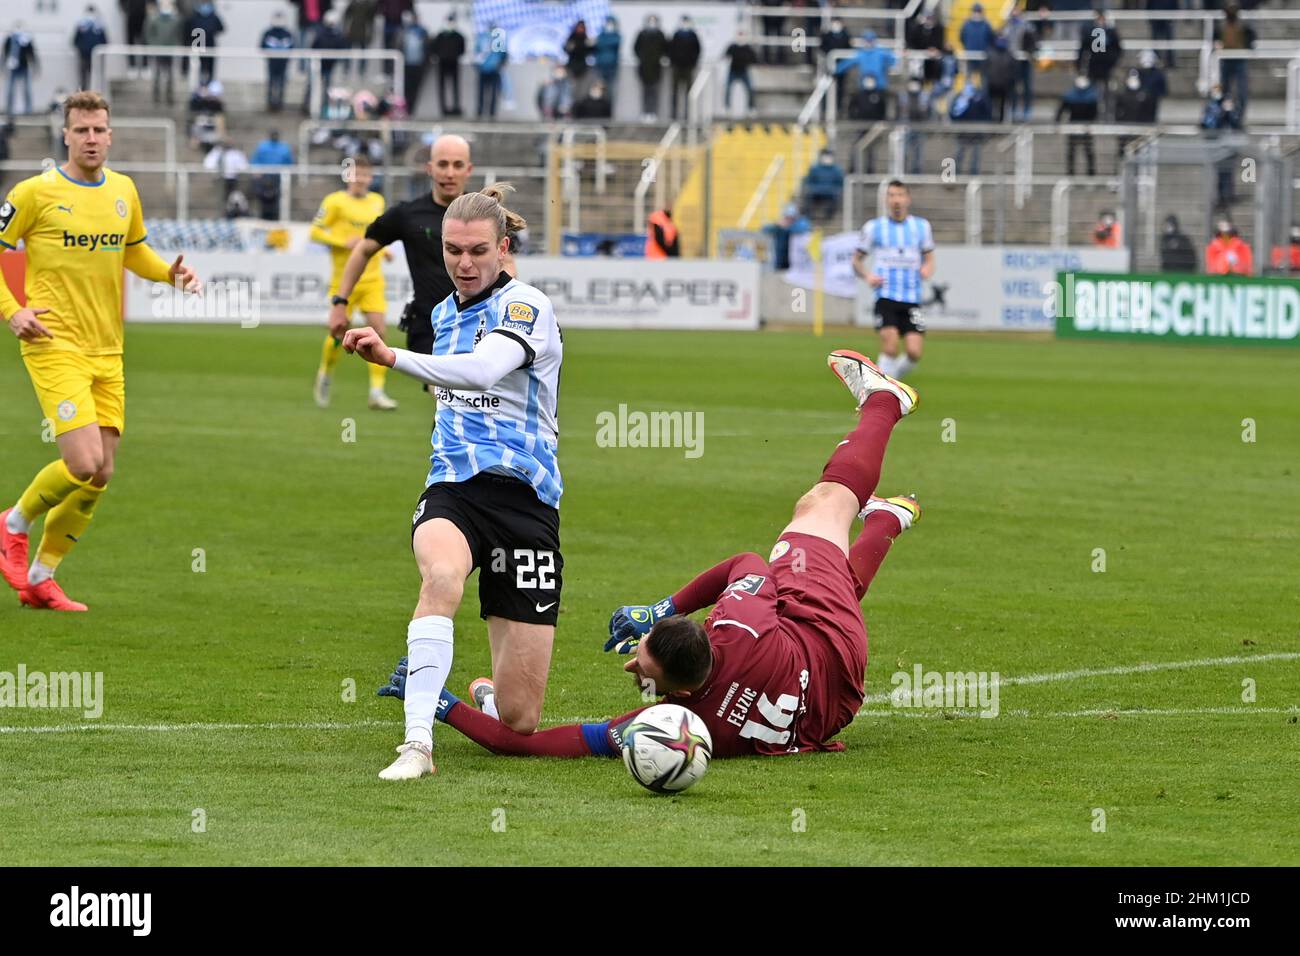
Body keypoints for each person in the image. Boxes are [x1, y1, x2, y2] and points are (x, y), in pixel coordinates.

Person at [378, 352, 922, 763]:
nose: (631, 664)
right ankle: (881, 427)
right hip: (820, 642)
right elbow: (747, 566)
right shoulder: (739, 628)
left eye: (642, 665)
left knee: (821, 527)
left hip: (834, 702)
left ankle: (885, 464)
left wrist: (446, 706)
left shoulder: (679, 720)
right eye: (643, 659)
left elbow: (530, 744)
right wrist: (660, 609)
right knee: (819, 517)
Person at [343, 183, 565, 780]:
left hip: (526, 500)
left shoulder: (527, 307)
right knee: (440, 576)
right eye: (451, 250)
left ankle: (485, 695)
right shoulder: (442, 313)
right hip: (455, 488)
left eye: (476, 251)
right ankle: (417, 744)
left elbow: (484, 370)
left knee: (519, 722)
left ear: (503, 249)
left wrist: (393, 358)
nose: (463, 264)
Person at [0, 91, 201, 612]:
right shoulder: (33, 193)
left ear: (110, 134)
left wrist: (169, 274)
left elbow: (133, 249)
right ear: (65, 135)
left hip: (107, 349)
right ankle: (12, 523)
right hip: (53, 342)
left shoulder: (123, 191)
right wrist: (12, 311)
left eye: (99, 129)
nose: (91, 138)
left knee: (102, 472)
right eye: (82, 130)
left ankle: (42, 577)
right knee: (83, 460)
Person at [329, 133, 470, 362]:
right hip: (429, 327)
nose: (450, 173)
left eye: (457, 165)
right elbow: (363, 250)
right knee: (445, 394)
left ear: (469, 169)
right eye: (443, 164)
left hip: (477, 324)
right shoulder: (408, 214)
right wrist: (340, 302)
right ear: (430, 168)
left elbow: (507, 264)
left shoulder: (485, 215)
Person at [311, 155, 396, 410]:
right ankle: (325, 373)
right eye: (355, 174)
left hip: (372, 279)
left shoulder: (377, 201)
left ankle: (376, 392)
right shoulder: (334, 201)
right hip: (344, 281)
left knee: (379, 331)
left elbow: (376, 236)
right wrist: (342, 241)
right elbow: (314, 231)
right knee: (338, 332)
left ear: (371, 178)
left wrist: (385, 249)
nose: (360, 179)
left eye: (365, 175)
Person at [852, 180, 935, 379]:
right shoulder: (874, 227)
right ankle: (882, 391)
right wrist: (867, 275)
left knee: (915, 352)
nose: (896, 200)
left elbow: (930, 258)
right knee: (890, 347)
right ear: (886, 200)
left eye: (900, 195)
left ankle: (889, 383)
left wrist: (927, 268)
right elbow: (856, 260)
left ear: (907, 199)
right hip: (886, 295)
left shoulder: (921, 227)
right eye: (891, 195)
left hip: (912, 297)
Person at [1077, 8, 1122, 120]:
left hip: (1107, 66)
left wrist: (1113, 61)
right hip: (1094, 65)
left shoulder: (1110, 32)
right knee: (1092, 91)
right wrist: (1079, 64)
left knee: (1108, 92)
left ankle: (1108, 114)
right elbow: (1083, 48)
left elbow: (1118, 48)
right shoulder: (1090, 31)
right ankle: (1093, 113)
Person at [1214, 2, 1255, 120]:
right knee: (1221, 90)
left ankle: (1240, 115)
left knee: (1242, 90)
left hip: (1239, 59)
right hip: (1225, 60)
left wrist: (1247, 48)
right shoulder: (1221, 26)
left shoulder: (1243, 26)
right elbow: (1215, 40)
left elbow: (1251, 39)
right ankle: (1221, 114)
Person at [950, 72, 992, 175]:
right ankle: (954, 176)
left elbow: (988, 113)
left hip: (976, 133)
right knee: (959, 155)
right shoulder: (960, 97)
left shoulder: (981, 97)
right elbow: (953, 114)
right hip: (962, 133)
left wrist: (981, 127)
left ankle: (974, 177)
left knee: (975, 158)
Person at [1058, 74, 1099, 177]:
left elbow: (1095, 113)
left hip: (1085, 127)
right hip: (1075, 126)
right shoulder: (1072, 96)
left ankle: (1090, 172)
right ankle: (1072, 172)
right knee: (1074, 151)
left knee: (1087, 150)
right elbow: (1061, 110)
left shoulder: (1090, 97)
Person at [146, 0, 184, 106]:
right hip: (158, 50)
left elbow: (179, 35)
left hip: (170, 51)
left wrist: (176, 45)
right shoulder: (154, 19)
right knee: (157, 72)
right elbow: (149, 34)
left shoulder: (176, 21)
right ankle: (156, 96)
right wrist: (154, 45)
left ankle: (169, 96)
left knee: (170, 74)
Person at [1004, 6, 1038, 122]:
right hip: (1012, 61)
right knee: (1013, 86)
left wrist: (1029, 52)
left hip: (1025, 60)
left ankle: (1027, 110)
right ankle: (1013, 110)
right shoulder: (1008, 26)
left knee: (1027, 86)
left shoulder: (1027, 26)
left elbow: (1033, 41)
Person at [259, 11, 295, 112]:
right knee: (271, 82)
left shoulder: (287, 33)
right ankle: (270, 103)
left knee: (281, 83)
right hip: (272, 62)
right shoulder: (268, 33)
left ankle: (280, 103)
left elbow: (292, 47)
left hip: (283, 63)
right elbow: (262, 46)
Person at [633, 15, 666, 123]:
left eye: (654, 20)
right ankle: (645, 112)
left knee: (654, 92)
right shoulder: (642, 34)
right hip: (644, 68)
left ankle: (653, 113)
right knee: (645, 92)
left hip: (656, 68)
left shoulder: (660, 34)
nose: (652, 23)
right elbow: (635, 48)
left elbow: (665, 48)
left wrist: (660, 58)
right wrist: (641, 58)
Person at [431, 13, 465, 117]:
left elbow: (462, 49)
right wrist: (441, 56)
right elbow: (434, 49)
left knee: (455, 86)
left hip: (454, 62)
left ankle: (456, 107)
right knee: (442, 86)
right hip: (442, 63)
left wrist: (454, 55)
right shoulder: (440, 36)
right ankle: (443, 108)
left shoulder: (459, 36)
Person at [668, 16, 700, 122]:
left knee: (689, 92)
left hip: (688, 68)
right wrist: (673, 62)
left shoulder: (693, 36)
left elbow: (697, 50)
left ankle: (687, 115)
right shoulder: (676, 35)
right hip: (676, 67)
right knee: (674, 91)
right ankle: (673, 115)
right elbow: (671, 49)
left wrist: (693, 62)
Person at [3, 23, 39, 117]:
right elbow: (4, 52)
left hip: (24, 66)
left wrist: (35, 66)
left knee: (27, 89)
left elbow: (31, 53)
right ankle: (9, 109)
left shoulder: (26, 39)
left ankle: (28, 110)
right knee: (10, 89)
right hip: (12, 67)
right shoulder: (9, 39)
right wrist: (4, 64)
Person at [763, 203, 810, 272]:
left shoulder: (800, 223)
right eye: (787, 217)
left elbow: (803, 228)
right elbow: (765, 229)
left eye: (791, 218)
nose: (789, 220)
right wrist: (776, 225)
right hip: (780, 260)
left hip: (796, 263)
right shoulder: (779, 226)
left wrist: (788, 227)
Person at [899, 78, 932, 175]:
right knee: (904, 150)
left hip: (920, 126)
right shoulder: (903, 96)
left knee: (918, 151)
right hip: (906, 126)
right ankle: (903, 170)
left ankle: (917, 171)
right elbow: (899, 110)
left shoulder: (925, 96)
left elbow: (929, 111)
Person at [399, 9, 429, 114]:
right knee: (405, 88)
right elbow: (398, 47)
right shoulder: (404, 31)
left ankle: (411, 110)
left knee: (415, 90)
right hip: (406, 65)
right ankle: (404, 109)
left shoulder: (422, 32)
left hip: (418, 66)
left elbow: (427, 49)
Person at [186, 1, 224, 85]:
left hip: (210, 46)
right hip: (198, 45)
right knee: (198, 67)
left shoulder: (213, 17)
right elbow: (188, 31)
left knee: (210, 67)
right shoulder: (194, 17)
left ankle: (209, 85)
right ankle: (199, 86)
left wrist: (210, 31)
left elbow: (221, 28)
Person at [73, 6, 109, 93]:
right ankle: (83, 95)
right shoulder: (81, 26)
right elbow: (75, 41)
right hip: (84, 56)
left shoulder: (99, 27)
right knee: (83, 78)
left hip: (96, 58)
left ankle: (95, 94)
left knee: (95, 77)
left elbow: (105, 42)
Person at [803, 148, 844, 220]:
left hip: (831, 192)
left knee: (835, 198)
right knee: (808, 196)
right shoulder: (815, 168)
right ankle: (809, 216)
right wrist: (812, 188)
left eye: (829, 156)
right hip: (816, 191)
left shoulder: (836, 170)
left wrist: (835, 189)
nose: (827, 159)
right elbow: (809, 180)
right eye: (825, 156)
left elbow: (840, 182)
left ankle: (828, 217)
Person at [476, 22, 506, 118]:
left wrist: (499, 65)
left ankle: (491, 112)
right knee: (482, 92)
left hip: (493, 70)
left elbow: (503, 54)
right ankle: (481, 112)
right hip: (484, 69)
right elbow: (476, 53)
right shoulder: (483, 38)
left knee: (492, 92)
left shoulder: (497, 40)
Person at [724, 31, 757, 117]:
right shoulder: (733, 46)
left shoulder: (747, 48)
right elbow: (725, 55)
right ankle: (727, 108)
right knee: (727, 88)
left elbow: (754, 59)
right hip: (733, 71)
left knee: (750, 89)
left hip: (743, 71)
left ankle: (751, 108)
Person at [959, 3, 996, 82]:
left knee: (984, 78)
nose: (976, 13)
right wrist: (967, 47)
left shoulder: (986, 24)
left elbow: (991, 38)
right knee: (968, 77)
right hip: (970, 55)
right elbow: (962, 37)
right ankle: (968, 92)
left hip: (983, 56)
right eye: (975, 11)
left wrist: (987, 50)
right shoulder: (966, 24)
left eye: (978, 11)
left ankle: (983, 92)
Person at [377, 0, 413, 78]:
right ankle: (386, 72)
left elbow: (409, 5)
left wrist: (408, 14)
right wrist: (382, 12)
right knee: (387, 48)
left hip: (398, 23)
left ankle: (395, 71)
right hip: (388, 22)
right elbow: (379, 4)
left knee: (398, 48)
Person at [342, 0, 376, 79]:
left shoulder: (369, 5)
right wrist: (346, 29)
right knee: (348, 52)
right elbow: (346, 17)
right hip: (352, 32)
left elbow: (371, 20)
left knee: (363, 53)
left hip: (363, 32)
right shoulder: (353, 4)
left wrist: (370, 33)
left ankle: (362, 71)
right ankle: (346, 69)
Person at [984, 37, 1015, 123]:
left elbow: (1013, 70)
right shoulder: (1008, 55)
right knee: (995, 104)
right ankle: (994, 120)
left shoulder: (1008, 55)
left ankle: (996, 120)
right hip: (997, 84)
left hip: (1000, 84)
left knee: (999, 104)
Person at [593, 16, 620, 104]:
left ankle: (608, 107)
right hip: (600, 65)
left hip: (612, 66)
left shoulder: (616, 35)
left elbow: (614, 43)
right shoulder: (601, 35)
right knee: (599, 86)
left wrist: (603, 42)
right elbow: (598, 45)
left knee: (611, 88)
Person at [1146, 0, 1180, 69]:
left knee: (1169, 42)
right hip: (1155, 16)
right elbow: (1149, 3)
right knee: (1155, 42)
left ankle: (1170, 61)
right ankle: (1155, 62)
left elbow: (1175, 3)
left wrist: (1174, 15)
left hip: (1168, 17)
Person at [119, 0, 148, 77]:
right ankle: (132, 67)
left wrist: (149, 8)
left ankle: (145, 66)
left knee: (145, 42)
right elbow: (121, 2)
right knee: (130, 43)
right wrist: (127, 10)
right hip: (131, 16)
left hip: (144, 17)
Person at [563, 21, 592, 97]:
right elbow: (566, 49)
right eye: (579, 27)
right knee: (569, 88)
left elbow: (589, 52)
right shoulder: (571, 38)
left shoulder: (586, 39)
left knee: (581, 90)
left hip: (582, 67)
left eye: (582, 27)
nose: (580, 29)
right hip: (571, 66)